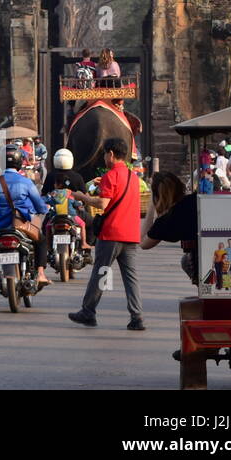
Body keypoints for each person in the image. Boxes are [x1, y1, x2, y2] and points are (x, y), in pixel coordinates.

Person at [66, 138, 144, 330]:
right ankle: (137, 317)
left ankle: (88, 311)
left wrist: (82, 197)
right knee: (130, 277)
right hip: (131, 234)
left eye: (104, 154)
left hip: (112, 234)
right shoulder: (133, 177)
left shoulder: (111, 176)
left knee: (101, 272)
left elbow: (103, 204)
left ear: (110, 154)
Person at [0, 147, 51, 287]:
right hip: (22, 226)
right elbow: (40, 205)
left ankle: (0, 273)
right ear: (20, 162)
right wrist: (43, 209)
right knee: (41, 241)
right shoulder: (26, 182)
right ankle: (41, 274)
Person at [140, 172, 196, 283]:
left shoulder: (167, 220)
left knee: (187, 261)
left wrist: (151, 206)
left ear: (156, 196)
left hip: (203, 258)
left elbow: (143, 243)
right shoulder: (194, 199)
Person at [41, 148, 90, 251]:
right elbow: (85, 197)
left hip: (55, 213)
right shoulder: (77, 177)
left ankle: (48, 246)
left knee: (45, 227)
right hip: (74, 213)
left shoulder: (50, 176)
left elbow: (43, 195)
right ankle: (85, 244)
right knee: (90, 223)